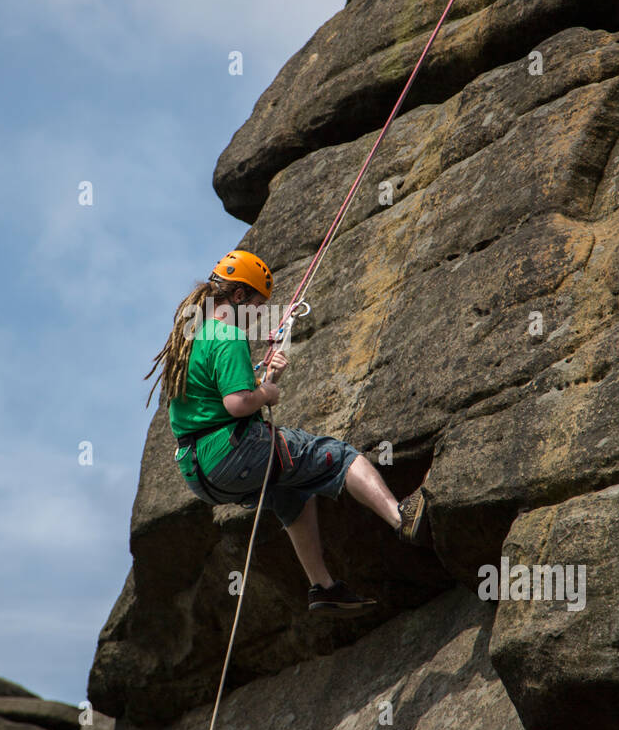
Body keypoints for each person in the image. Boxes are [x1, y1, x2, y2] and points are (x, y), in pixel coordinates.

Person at [144, 249, 432, 617]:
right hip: (232, 452)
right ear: (238, 297)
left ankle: (324, 588)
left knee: (292, 491)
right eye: (257, 306)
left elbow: (219, 403)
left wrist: (268, 378)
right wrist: (269, 392)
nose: (259, 315)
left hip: (202, 472)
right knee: (338, 456)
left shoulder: (192, 335)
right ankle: (400, 517)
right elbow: (238, 403)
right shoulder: (227, 334)